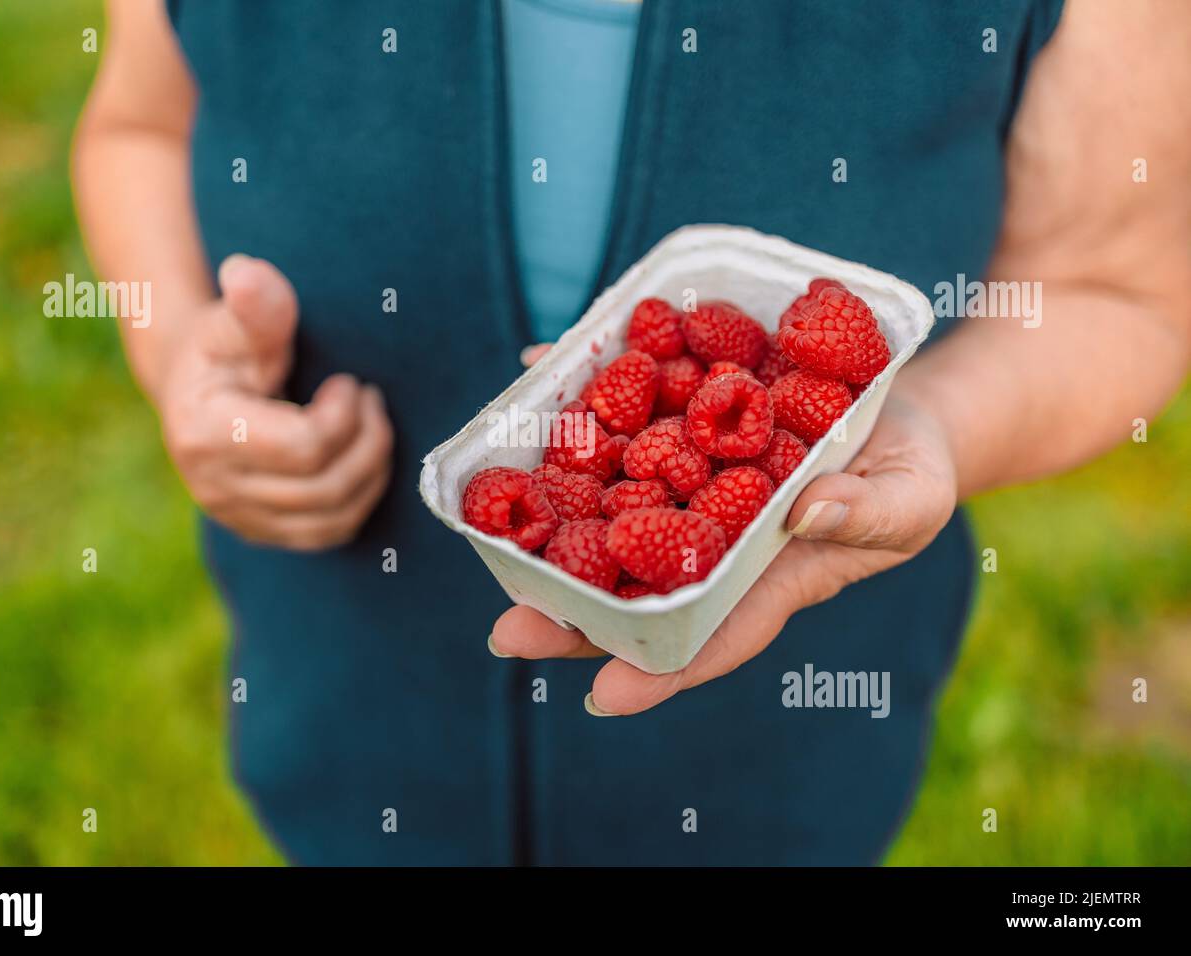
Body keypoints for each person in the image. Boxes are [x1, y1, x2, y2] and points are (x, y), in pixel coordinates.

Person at [73, 0, 1191, 865]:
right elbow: (136, 126)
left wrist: (928, 422)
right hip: (344, 703)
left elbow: (1117, 288)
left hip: (785, 764)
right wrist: (178, 349)